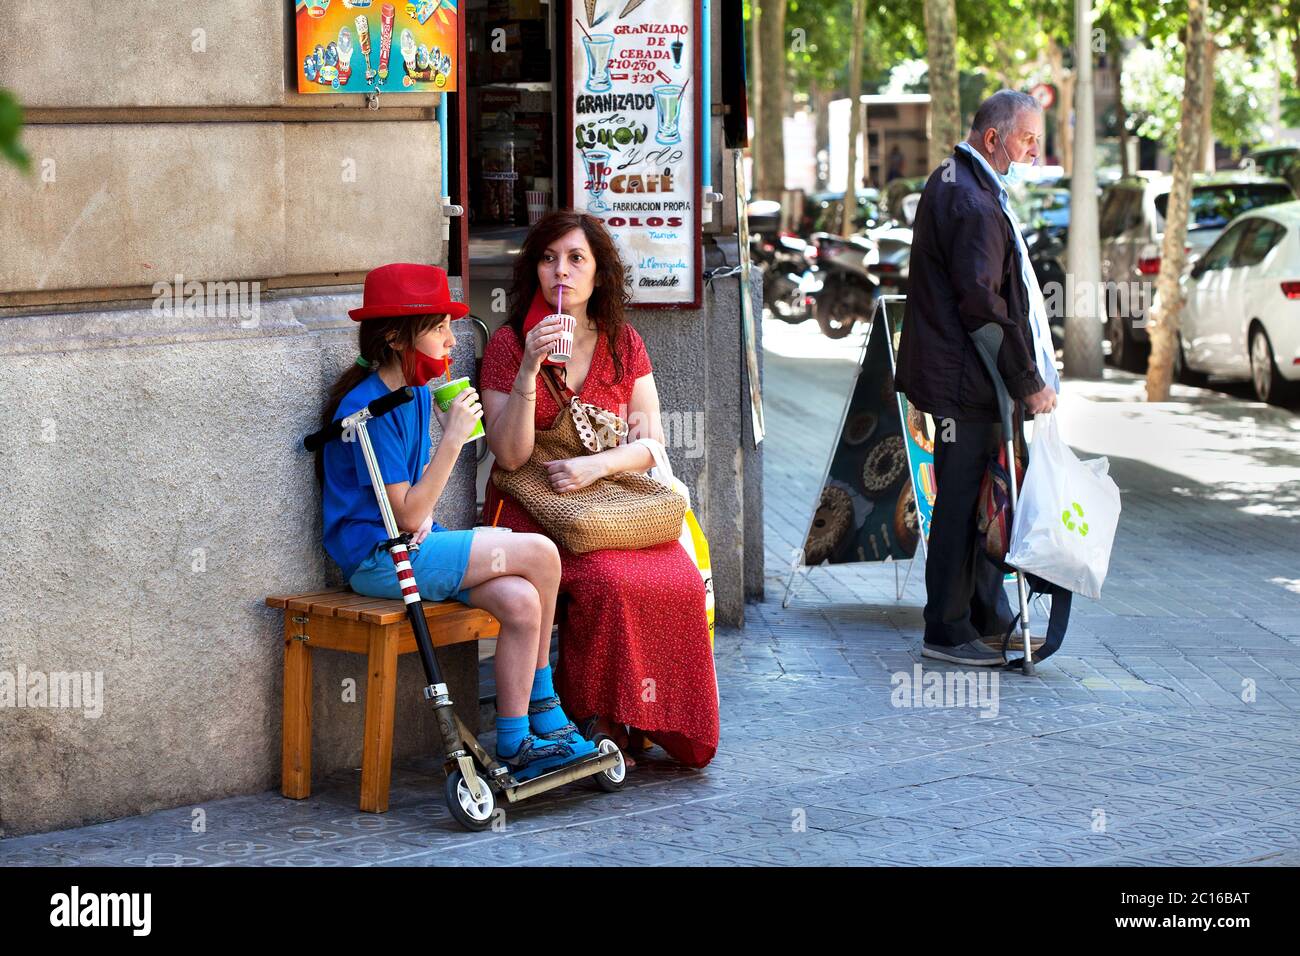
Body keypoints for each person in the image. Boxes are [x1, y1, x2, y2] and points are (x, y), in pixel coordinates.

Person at [317, 262, 596, 779]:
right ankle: (544, 704)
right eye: (439, 328)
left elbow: (408, 507)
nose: (452, 339)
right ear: (398, 337)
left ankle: (514, 742)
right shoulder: (368, 408)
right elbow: (408, 511)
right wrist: (453, 439)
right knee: (541, 551)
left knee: (521, 599)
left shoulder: (417, 392)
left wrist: (440, 449)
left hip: (412, 545)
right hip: (380, 561)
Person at [479, 211, 719, 769]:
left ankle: (653, 719)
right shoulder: (511, 344)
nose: (560, 272)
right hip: (533, 506)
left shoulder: (624, 344)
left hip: (607, 502)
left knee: (677, 578)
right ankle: (594, 717)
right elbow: (509, 455)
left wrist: (597, 467)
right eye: (547, 259)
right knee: (608, 580)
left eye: (575, 259)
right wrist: (529, 370)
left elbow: (652, 443)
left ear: (598, 274)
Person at [895, 90, 1060, 666]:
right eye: (1026, 138)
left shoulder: (959, 181)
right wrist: (1028, 382)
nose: (1033, 151)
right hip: (967, 385)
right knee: (965, 503)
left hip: (967, 382)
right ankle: (947, 629)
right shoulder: (972, 201)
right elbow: (983, 308)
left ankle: (986, 617)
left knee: (984, 497)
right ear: (993, 138)